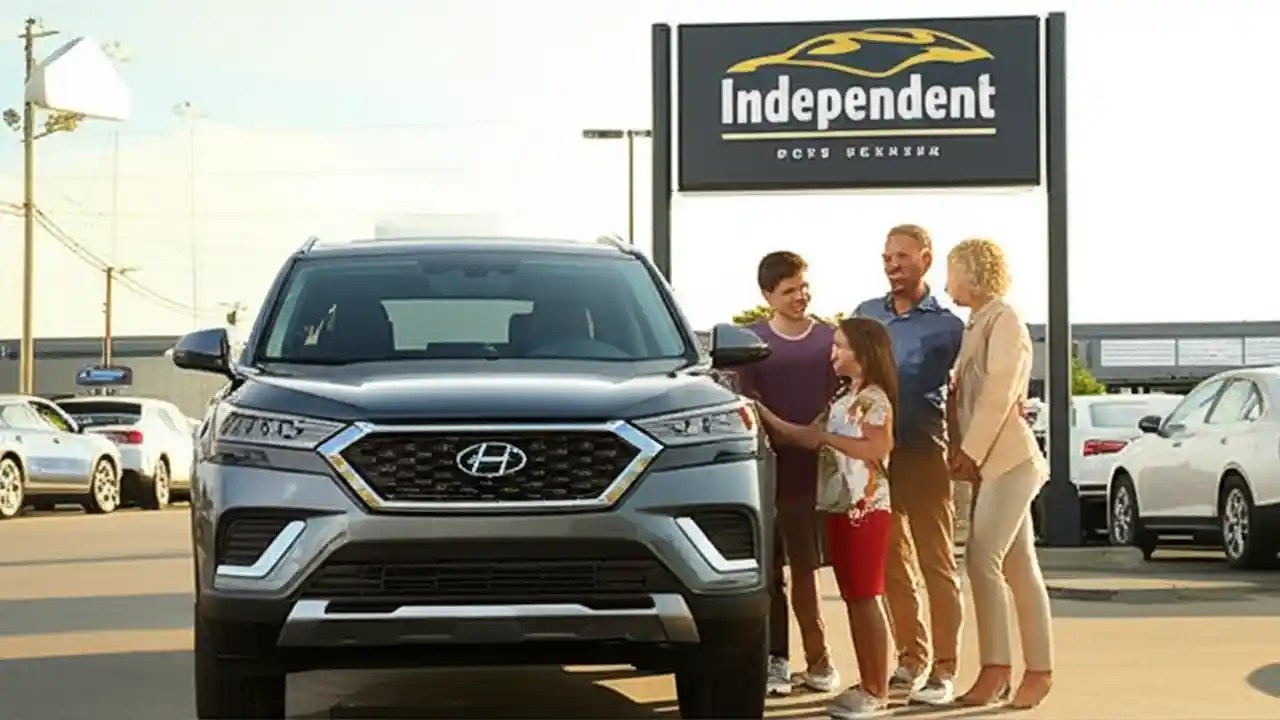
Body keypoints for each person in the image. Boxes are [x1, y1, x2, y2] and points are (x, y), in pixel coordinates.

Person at [755, 317, 898, 719]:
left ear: (864, 352)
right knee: (854, 597)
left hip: (865, 510)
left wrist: (826, 438)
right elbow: (802, 435)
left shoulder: (874, 399)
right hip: (839, 509)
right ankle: (869, 682)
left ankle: (877, 690)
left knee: (866, 596)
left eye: (841, 347)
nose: (833, 354)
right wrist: (759, 410)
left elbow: (876, 448)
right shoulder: (841, 399)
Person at [852, 224, 965, 705]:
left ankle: (944, 669)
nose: (892, 264)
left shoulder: (949, 327)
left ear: (925, 258)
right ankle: (910, 659)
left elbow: (966, 392)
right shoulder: (865, 315)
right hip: (877, 459)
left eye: (901, 256)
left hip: (924, 455)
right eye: (886, 257)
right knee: (891, 565)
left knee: (936, 564)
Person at [944, 238, 1054, 710]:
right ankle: (1036, 671)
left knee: (982, 557)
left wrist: (968, 454)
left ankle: (997, 670)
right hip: (994, 464)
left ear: (972, 273)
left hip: (1009, 461)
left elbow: (999, 393)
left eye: (951, 271)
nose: (946, 282)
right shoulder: (977, 324)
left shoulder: (1004, 320)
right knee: (1017, 566)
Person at [735, 251, 840, 696]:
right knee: (768, 572)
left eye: (803, 286)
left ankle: (820, 662)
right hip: (764, 473)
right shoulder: (750, 341)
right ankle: (777, 659)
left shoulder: (831, 339)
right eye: (789, 290)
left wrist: (814, 433)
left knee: (805, 571)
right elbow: (749, 402)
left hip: (813, 476)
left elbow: (842, 396)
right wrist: (794, 433)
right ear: (767, 296)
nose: (800, 296)